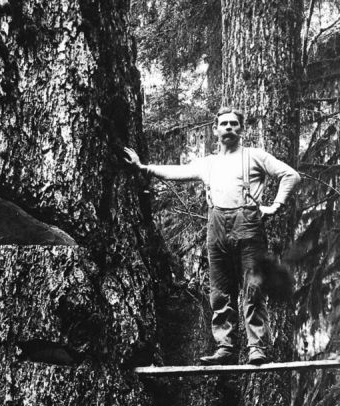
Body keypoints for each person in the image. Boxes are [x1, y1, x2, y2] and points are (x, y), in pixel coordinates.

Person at [123, 107, 300, 366]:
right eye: (223, 124)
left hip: (248, 227)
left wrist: (275, 206)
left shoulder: (255, 156)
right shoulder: (208, 163)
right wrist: (144, 168)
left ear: (241, 129)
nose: (228, 127)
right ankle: (225, 346)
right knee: (220, 290)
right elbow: (179, 171)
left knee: (252, 289)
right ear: (215, 130)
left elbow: (291, 175)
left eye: (233, 124)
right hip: (216, 227)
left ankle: (256, 348)